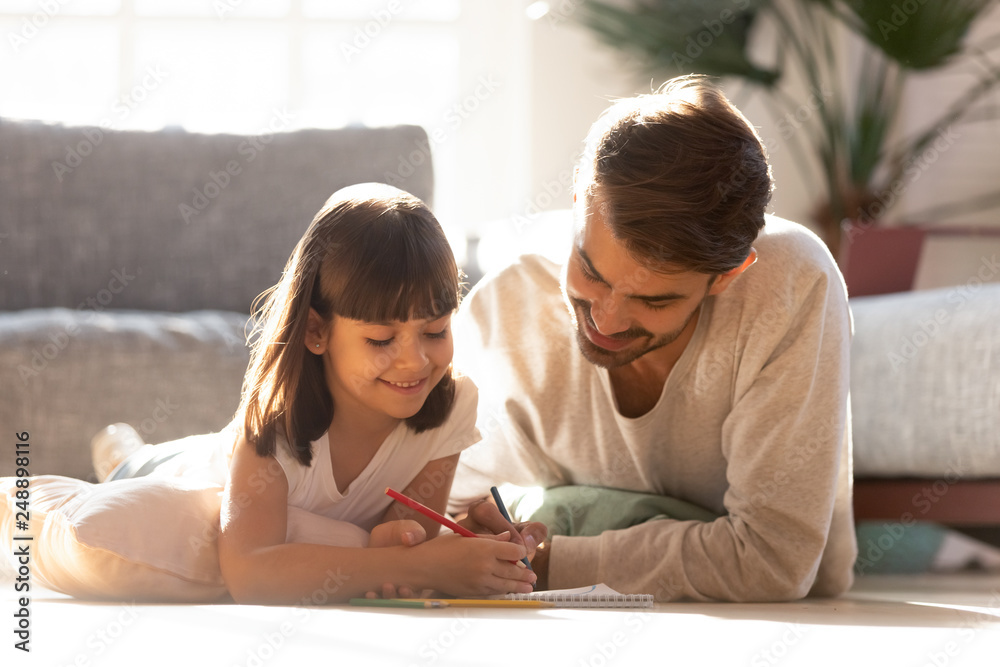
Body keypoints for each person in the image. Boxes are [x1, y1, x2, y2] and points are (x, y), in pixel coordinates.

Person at [448, 76, 858, 602]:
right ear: (577, 202)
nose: (608, 320)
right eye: (591, 271)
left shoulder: (791, 285)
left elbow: (774, 562)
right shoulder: (508, 307)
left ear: (728, 276)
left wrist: (544, 564)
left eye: (655, 300)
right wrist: (461, 531)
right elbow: (429, 514)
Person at [96, 183, 538, 603]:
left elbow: (398, 542)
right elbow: (250, 572)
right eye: (382, 340)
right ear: (315, 331)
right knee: (135, 466)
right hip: (180, 467)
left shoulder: (450, 406)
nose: (416, 362)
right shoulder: (274, 425)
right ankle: (121, 454)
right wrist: (426, 565)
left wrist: (469, 541)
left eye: (436, 330)